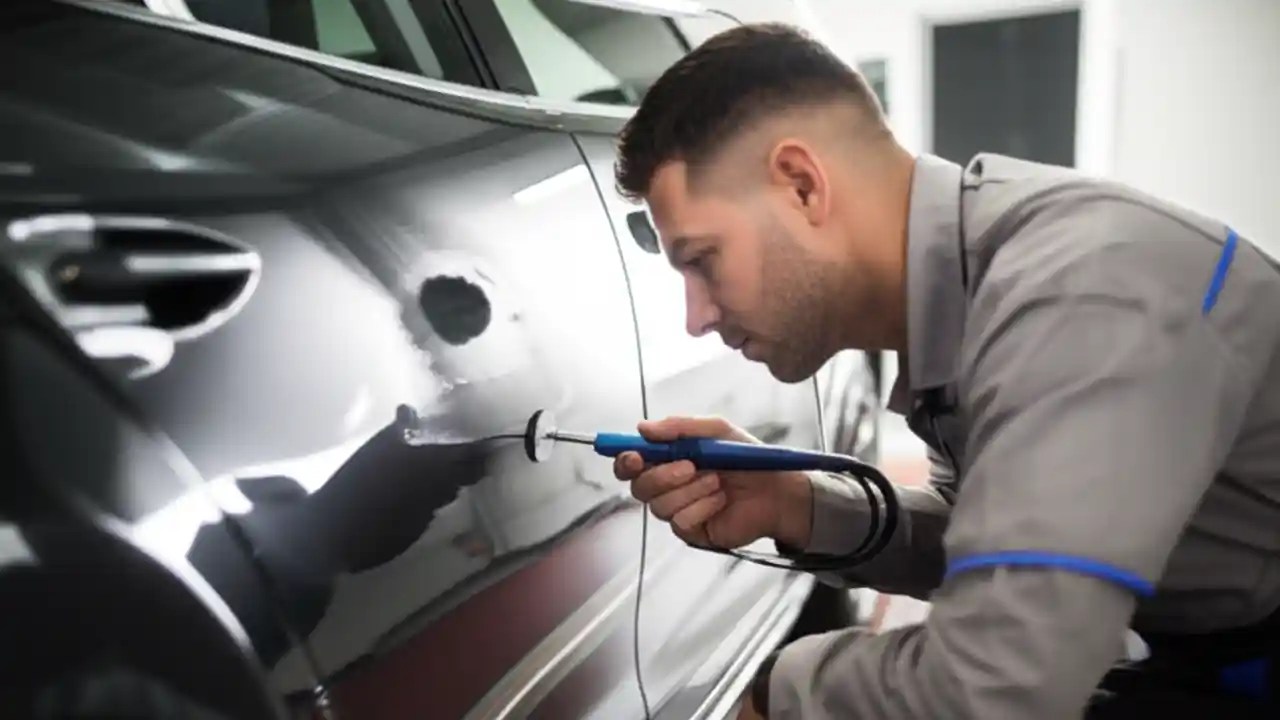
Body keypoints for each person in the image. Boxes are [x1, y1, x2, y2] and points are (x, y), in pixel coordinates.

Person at [609, 22, 1280, 720]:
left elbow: (995, 688)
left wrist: (784, 692)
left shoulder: (1083, 290)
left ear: (803, 186)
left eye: (701, 258)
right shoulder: (966, 285)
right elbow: (1004, 537)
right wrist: (799, 504)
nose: (696, 316)